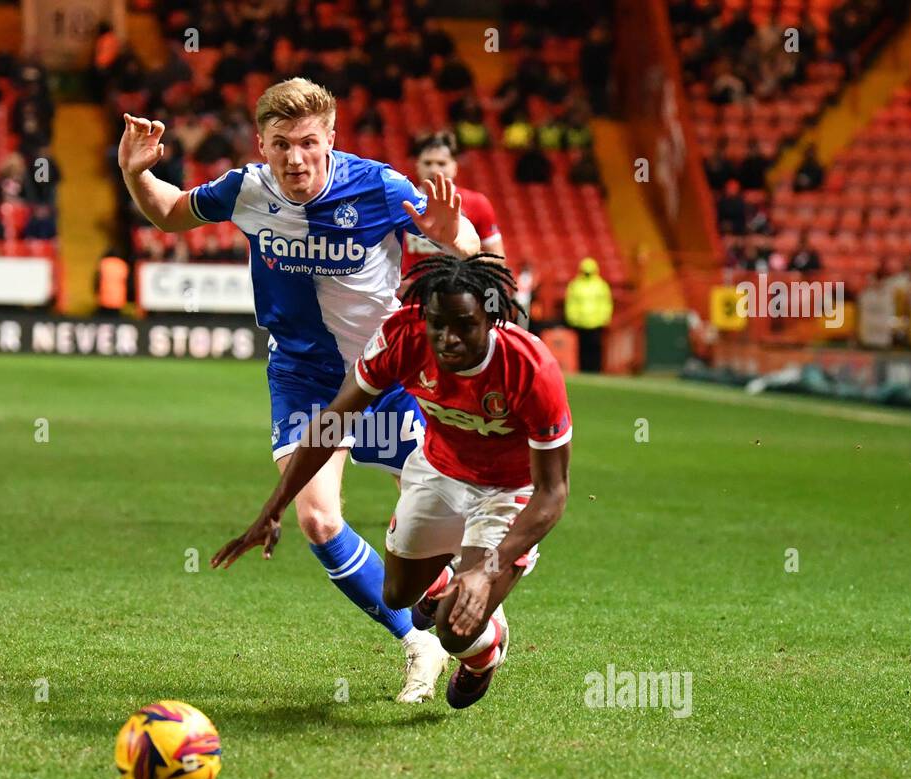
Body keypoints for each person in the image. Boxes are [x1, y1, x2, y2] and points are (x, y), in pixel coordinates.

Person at [118, 77, 483, 702]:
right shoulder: (246, 190)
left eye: (308, 142)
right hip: (304, 380)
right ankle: (417, 641)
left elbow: (467, 245)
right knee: (317, 519)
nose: (295, 158)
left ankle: (475, 632)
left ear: (331, 139)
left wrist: (454, 233)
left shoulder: (381, 187)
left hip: (389, 378)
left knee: (432, 531)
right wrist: (136, 175)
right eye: (281, 144)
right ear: (261, 144)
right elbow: (168, 211)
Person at [213, 254, 572, 709]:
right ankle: (444, 582)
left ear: (491, 318)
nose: (448, 338)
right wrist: (274, 506)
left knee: (454, 629)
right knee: (399, 595)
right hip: (437, 470)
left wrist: (485, 572)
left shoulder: (530, 369)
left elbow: (553, 494)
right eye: (438, 324)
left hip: (507, 493)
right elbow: (333, 420)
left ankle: (485, 652)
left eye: (464, 325)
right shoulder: (403, 336)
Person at [400, 132, 504, 292]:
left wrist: (467, 255)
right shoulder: (402, 203)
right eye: (427, 163)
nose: (434, 169)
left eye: (441, 163)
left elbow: (498, 262)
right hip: (410, 299)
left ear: (454, 167)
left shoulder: (477, 203)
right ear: (417, 166)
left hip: (458, 299)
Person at [564, 257, 613, 372]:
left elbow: (606, 303)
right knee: (582, 348)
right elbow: (571, 303)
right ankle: (583, 369)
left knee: (595, 348)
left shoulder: (601, 285)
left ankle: (596, 369)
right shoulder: (575, 285)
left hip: (596, 322)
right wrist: (572, 317)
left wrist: (605, 317)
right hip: (580, 322)